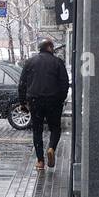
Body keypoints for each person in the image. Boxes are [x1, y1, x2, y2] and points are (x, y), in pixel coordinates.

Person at [17, 38, 71, 171]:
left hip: (35, 100)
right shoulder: (58, 62)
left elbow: (22, 84)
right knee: (55, 128)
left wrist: (23, 102)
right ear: (50, 48)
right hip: (53, 100)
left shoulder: (30, 62)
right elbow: (64, 83)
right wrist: (61, 99)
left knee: (37, 130)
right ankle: (51, 147)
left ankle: (40, 161)